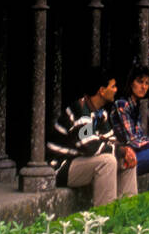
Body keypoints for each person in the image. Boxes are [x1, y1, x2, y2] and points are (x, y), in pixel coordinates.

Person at [47, 67, 138, 206]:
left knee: (128, 161)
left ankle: (128, 212)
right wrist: (120, 150)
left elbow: (111, 139)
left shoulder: (100, 113)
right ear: (101, 90)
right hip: (60, 167)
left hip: (81, 162)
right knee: (107, 161)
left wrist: (125, 151)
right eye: (113, 86)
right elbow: (89, 146)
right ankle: (105, 218)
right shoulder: (81, 109)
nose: (115, 90)